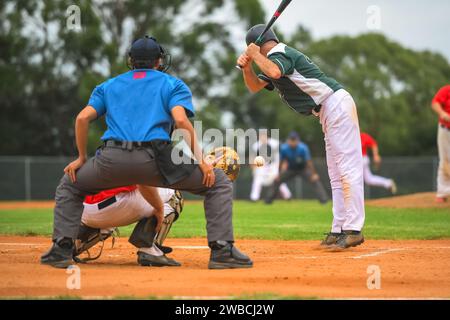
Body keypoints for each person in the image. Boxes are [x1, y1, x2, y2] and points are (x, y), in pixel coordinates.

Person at [41, 36, 252, 269]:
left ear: (131, 60)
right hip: (155, 159)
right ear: (159, 61)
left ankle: (60, 249)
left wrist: (81, 157)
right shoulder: (172, 84)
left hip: (111, 158)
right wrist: (201, 162)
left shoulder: (108, 85)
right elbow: (181, 120)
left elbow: (82, 118)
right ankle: (222, 251)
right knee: (218, 182)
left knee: (70, 184)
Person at [237, 25, 365, 250]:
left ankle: (353, 229)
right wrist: (247, 68)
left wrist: (255, 54)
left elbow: (275, 72)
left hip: (335, 104)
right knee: (336, 175)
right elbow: (255, 87)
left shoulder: (279, 53)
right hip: (327, 111)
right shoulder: (271, 59)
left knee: (346, 170)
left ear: (258, 44)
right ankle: (339, 229)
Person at [75, 186, 183, 267]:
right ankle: (149, 249)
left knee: (109, 211)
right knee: (174, 196)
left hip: (85, 207)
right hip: (113, 205)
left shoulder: (104, 154)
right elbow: (143, 183)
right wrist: (158, 208)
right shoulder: (138, 155)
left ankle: (72, 245)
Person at [266, 131, 328, 204]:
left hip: (303, 169)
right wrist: (279, 174)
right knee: (276, 181)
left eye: (294, 140)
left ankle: (323, 199)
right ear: (288, 140)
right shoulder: (284, 148)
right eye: (291, 140)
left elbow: (309, 162)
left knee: (315, 180)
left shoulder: (303, 148)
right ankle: (268, 200)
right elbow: (281, 162)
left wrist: (314, 174)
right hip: (290, 169)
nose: (292, 142)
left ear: (297, 140)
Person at [250, 132, 291, 201]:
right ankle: (254, 197)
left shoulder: (275, 143)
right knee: (257, 180)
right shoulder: (256, 145)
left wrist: (283, 165)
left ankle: (288, 196)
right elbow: (252, 158)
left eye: (264, 135)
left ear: (267, 136)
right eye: (261, 136)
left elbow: (283, 154)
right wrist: (253, 168)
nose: (263, 137)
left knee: (278, 180)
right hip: (262, 166)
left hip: (274, 165)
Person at [431, 85, 450, 203]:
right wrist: (442, 113)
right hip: (445, 129)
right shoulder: (447, 90)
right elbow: (435, 103)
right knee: (444, 160)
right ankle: (442, 192)